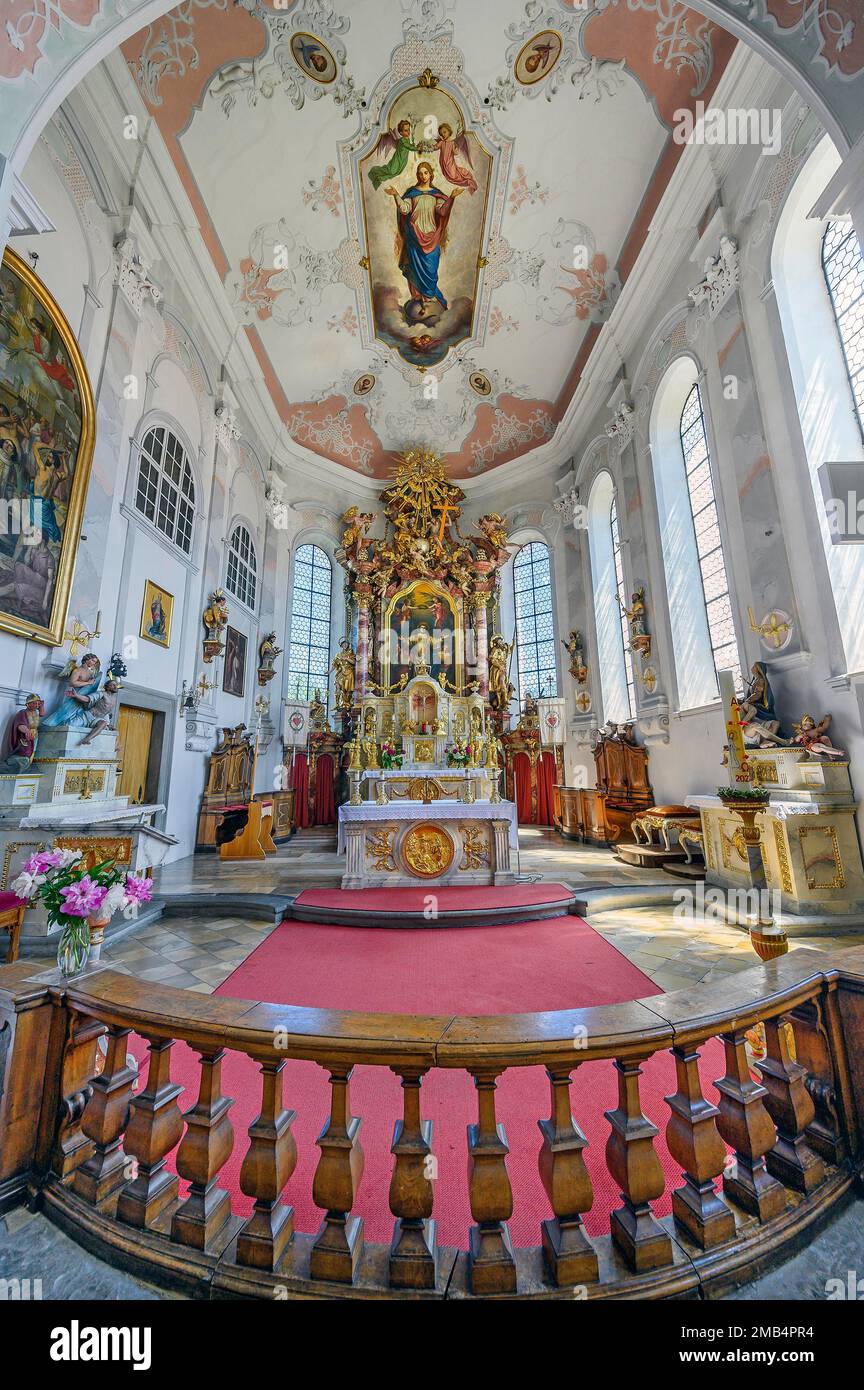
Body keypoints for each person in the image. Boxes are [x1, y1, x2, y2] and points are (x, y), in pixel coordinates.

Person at [384, 162, 464, 310]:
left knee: (431, 270)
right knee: (414, 269)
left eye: (425, 173)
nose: (423, 176)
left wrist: (452, 197)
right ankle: (418, 299)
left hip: (431, 238)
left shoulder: (436, 194)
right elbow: (405, 209)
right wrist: (396, 194)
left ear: (431, 174)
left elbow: (441, 212)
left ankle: (430, 299)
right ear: (417, 175)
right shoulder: (412, 193)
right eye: (420, 173)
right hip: (414, 238)